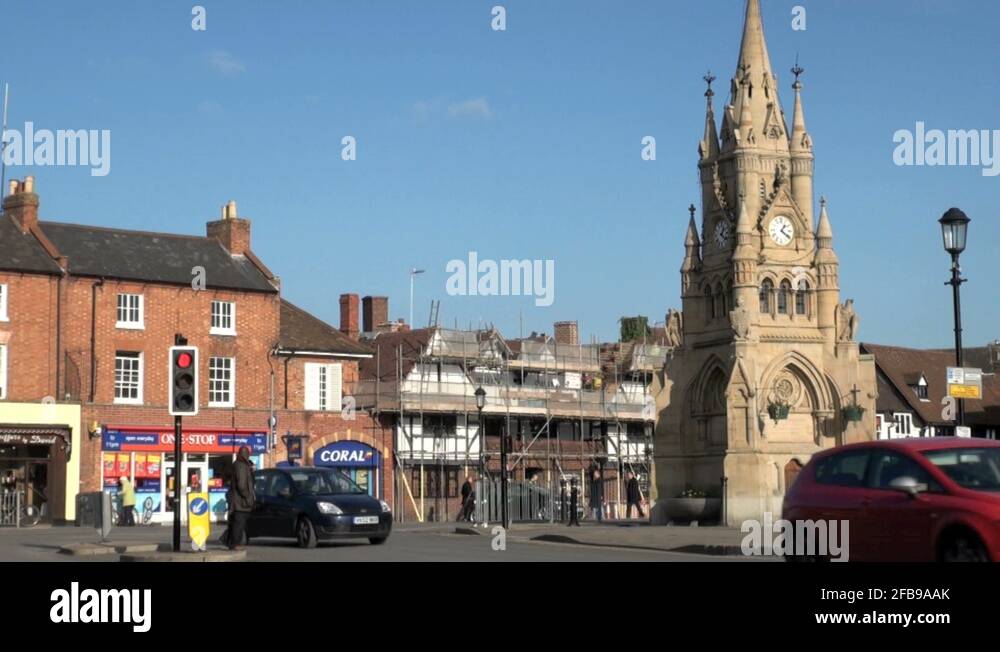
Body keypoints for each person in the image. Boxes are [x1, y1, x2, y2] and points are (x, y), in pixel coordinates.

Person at [228, 446, 256, 550]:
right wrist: (247, 496)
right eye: (248, 453)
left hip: (239, 501)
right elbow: (242, 485)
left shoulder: (241, 465)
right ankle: (234, 544)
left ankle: (232, 542)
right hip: (241, 502)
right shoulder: (241, 466)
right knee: (239, 524)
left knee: (236, 523)